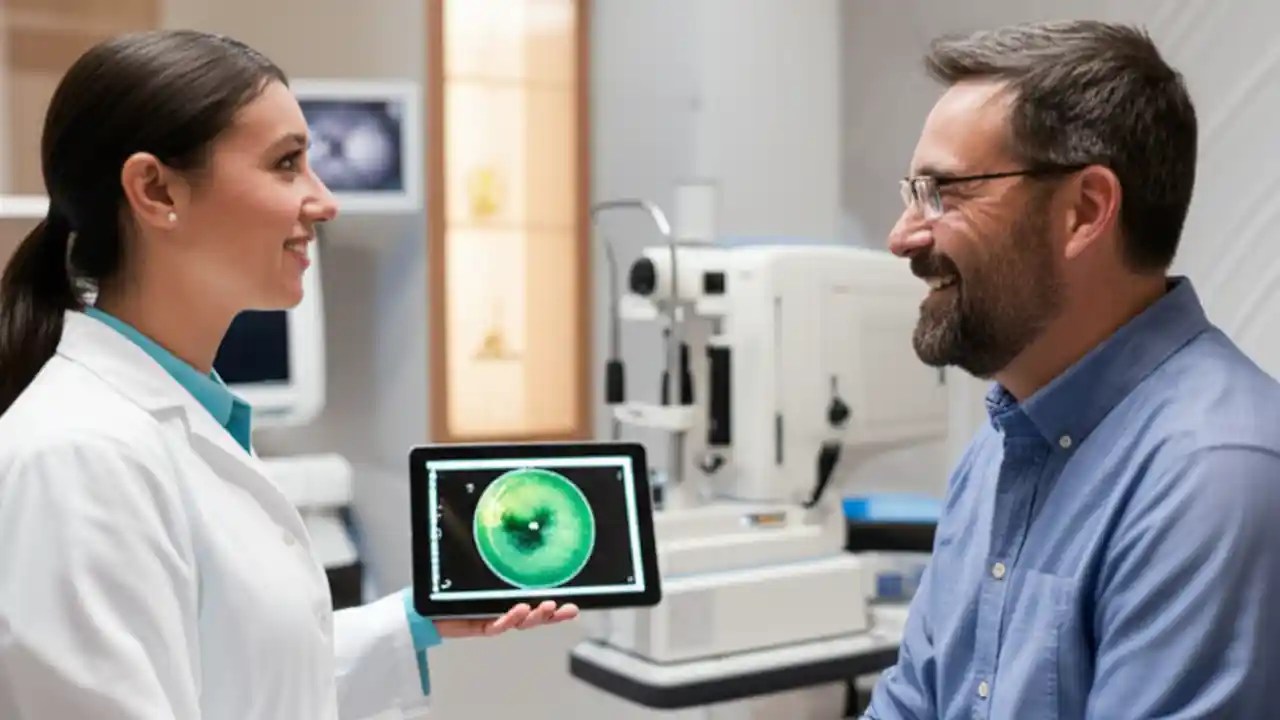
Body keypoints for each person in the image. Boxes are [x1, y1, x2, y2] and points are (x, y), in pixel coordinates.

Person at [0, 30, 577, 720]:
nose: (326, 201)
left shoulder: (181, 419)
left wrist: (413, 621)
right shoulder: (79, 457)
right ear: (155, 190)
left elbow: (237, 679)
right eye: (287, 164)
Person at [866, 20, 1280, 720]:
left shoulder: (1214, 479)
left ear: (1085, 211)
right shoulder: (998, 448)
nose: (902, 235)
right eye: (912, 193)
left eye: (942, 193)